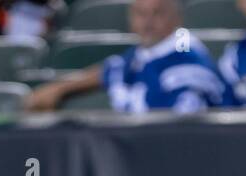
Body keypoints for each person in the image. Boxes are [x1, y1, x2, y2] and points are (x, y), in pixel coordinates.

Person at [26, 0, 233, 114]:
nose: (148, 22)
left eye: (157, 13)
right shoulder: (142, 54)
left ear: (177, 18)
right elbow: (110, 69)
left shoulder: (187, 59)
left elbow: (175, 130)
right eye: (140, 13)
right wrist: (59, 89)